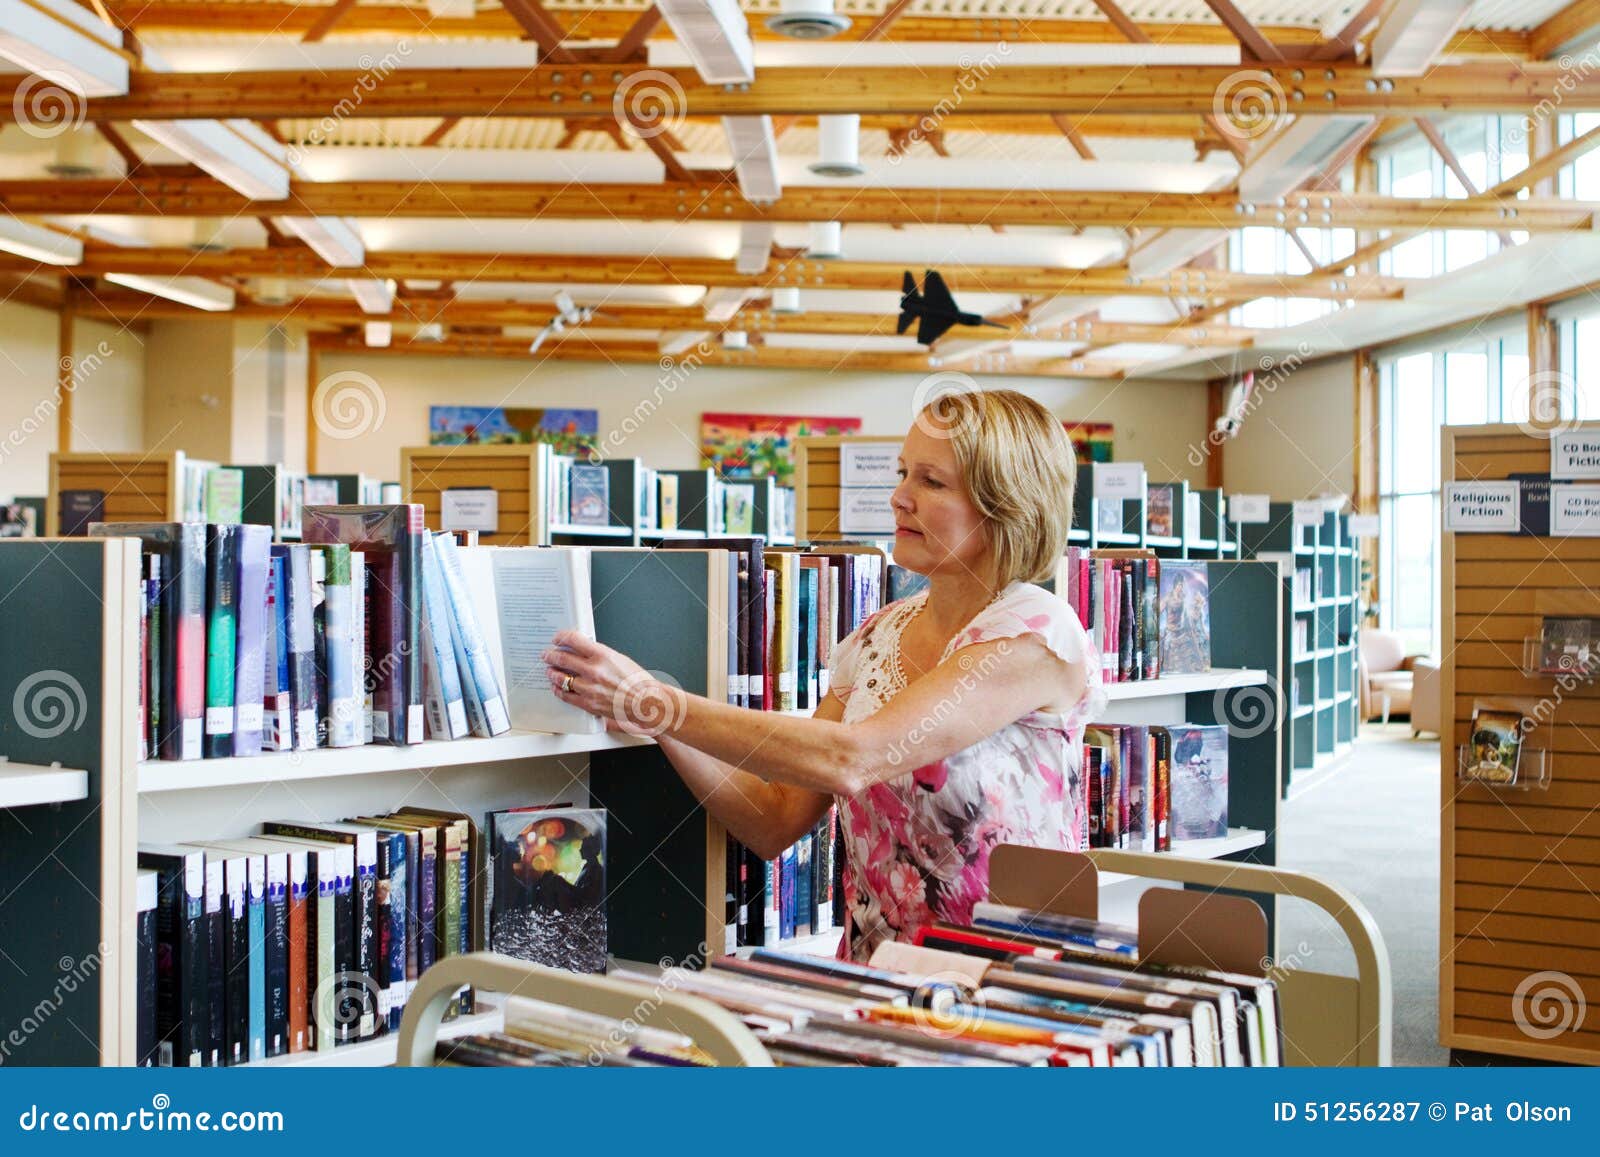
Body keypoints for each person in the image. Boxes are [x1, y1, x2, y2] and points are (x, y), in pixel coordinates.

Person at [543, 389, 1105, 962]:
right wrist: (656, 720)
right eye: (902, 473)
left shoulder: (1037, 633)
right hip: (875, 981)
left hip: (1009, 983)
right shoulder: (876, 635)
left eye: (932, 482)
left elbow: (850, 758)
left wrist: (657, 701)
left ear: (1006, 504)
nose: (899, 497)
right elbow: (776, 819)